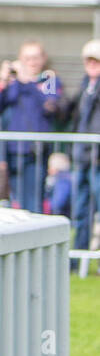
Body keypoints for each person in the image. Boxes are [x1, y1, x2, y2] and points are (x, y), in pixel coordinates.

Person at [0, 39, 62, 212]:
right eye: (27, 58)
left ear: (43, 58)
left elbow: (50, 106)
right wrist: (4, 80)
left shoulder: (49, 79)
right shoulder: (13, 82)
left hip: (36, 150)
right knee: (18, 199)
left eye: (35, 57)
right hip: (14, 149)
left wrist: (27, 82)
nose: (31, 62)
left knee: (34, 199)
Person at [65, 39, 100, 254]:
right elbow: (62, 108)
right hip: (83, 156)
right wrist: (50, 85)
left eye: (96, 61)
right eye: (88, 61)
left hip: (98, 157)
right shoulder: (84, 85)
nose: (92, 65)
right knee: (80, 210)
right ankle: (78, 257)